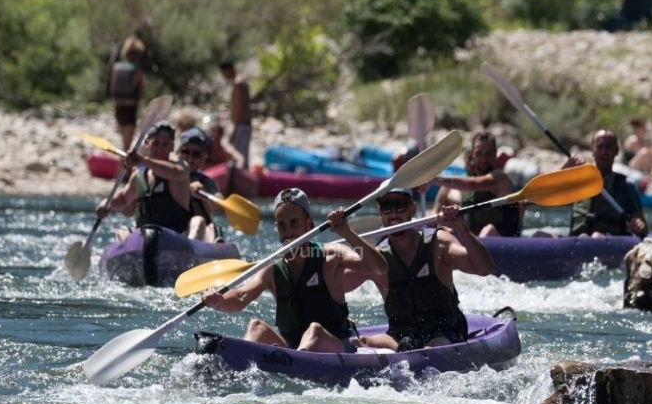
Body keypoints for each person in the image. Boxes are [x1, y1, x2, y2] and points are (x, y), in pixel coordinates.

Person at [201, 188, 388, 353]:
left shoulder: (332, 255)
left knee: (315, 331)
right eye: (282, 225)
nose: (288, 232)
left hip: (337, 346)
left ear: (308, 224)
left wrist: (347, 232)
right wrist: (218, 300)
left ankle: (295, 361)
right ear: (276, 228)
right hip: (293, 350)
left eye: (294, 223)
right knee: (256, 327)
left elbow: (378, 268)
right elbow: (241, 296)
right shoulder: (272, 269)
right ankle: (242, 363)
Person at [343, 188, 495, 351]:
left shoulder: (438, 243)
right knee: (359, 343)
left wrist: (460, 228)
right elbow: (336, 286)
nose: (394, 214)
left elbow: (484, 268)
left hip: (444, 334)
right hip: (400, 338)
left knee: (429, 351)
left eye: (400, 205)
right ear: (380, 211)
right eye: (387, 206)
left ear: (412, 208)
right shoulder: (377, 259)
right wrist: (342, 233)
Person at [95, 121, 191, 240]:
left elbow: (174, 173)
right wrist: (106, 204)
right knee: (122, 232)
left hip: (174, 238)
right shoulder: (139, 175)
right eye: (156, 143)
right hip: (146, 237)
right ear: (147, 144)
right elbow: (124, 198)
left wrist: (143, 160)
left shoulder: (181, 167)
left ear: (172, 146)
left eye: (165, 144)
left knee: (151, 236)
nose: (160, 149)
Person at [430, 131, 522, 237]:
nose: (484, 159)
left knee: (489, 230)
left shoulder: (500, 179)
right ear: (472, 154)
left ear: (495, 154)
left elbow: (473, 184)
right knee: (433, 222)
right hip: (472, 244)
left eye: (488, 154)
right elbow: (435, 214)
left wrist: (435, 180)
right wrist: (434, 223)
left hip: (503, 243)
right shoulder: (457, 190)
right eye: (479, 153)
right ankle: (427, 248)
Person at [566, 129, 649, 238]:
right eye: (600, 147)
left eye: (608, 147)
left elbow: (643, 227)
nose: (604, 152)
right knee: (541, 235)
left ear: (616, 150)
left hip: (607, 243)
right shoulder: (579, 182)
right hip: (576, 242)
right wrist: (564, 170)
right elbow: (544, 197)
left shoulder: (626, 186)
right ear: (592, 149)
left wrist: (639, 226)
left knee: (596, 236)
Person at [175, 127, 223, 243]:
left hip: (200, 233)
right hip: (174, 231)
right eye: (186, 152)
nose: (190, 158)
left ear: (203, 158)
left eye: (196, 154)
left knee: (210, 228)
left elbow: (220, 201)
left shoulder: (205, 182)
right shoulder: (168, 175)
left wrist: (203, 194)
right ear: (178, 153)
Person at [109, 37, 146, 154]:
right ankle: (122, 171)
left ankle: (121, 170)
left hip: (118, 108)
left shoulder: (116, 67)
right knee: (127, 145)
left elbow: (112, 88)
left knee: (124, 142)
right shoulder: (137, 71)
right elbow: (141, 92)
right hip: (130, 109)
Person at [218, 59, 252, 168]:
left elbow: (240, 109)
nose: (223, 76)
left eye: (223, 73)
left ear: (228, 70)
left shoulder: (237, 84)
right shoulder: (242, 81)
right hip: (244, 125)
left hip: (241, 126)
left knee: (239, 159)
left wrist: (235, 130)